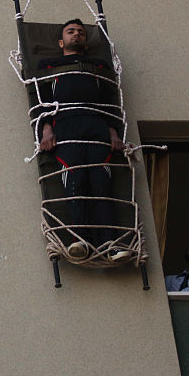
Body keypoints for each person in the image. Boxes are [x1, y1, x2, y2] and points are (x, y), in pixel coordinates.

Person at [36, 19, 128, 261]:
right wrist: (46, 131)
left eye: (81, 32)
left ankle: (110, 243)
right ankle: (80, 239)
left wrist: (113, 131)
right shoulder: (48, 66)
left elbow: (110, 103)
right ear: (61, 41)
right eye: (70, 31)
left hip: (97, 125)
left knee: (101, 183)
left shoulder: (98, 65)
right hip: (65, 125)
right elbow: (41, 102)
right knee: (74, 180)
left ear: (86, 42)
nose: (76, 34)